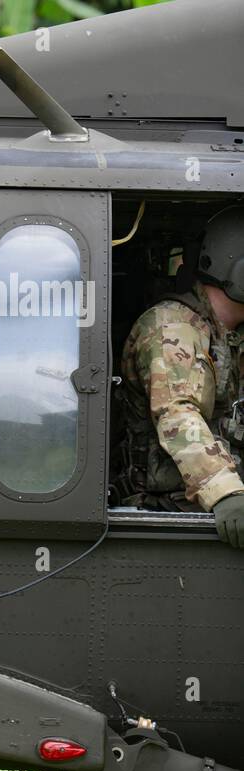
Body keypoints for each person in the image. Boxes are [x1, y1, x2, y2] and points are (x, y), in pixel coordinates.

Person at [115, 204, 244, 548]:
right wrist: (225, 493)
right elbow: (177, 412)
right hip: (166, 514)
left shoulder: (228, 336)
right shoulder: (172, 327)